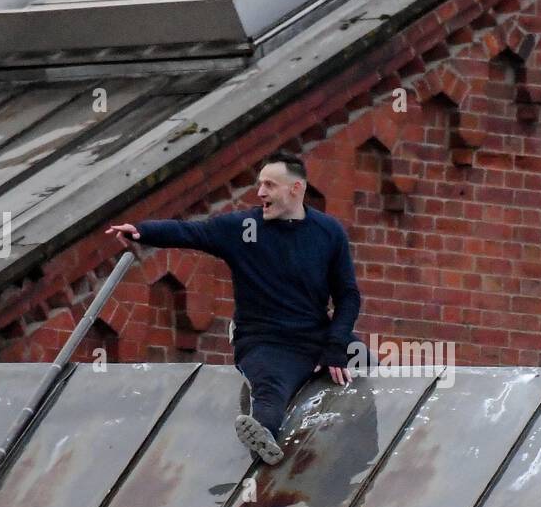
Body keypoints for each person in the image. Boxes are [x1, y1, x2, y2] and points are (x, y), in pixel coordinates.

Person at [105, 151, 362, 464]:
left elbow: (348, 295)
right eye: (259, 185)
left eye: (270, 185)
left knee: (366, 360)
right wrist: (142, 231)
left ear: (296, 189)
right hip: (265, 341)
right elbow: (192, 233)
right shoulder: (244, 229)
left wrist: (336, 344)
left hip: (316, 336)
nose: (260, 193)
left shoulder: (328, 232)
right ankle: (262, 438)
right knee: (269, 389)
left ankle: (378, 448)